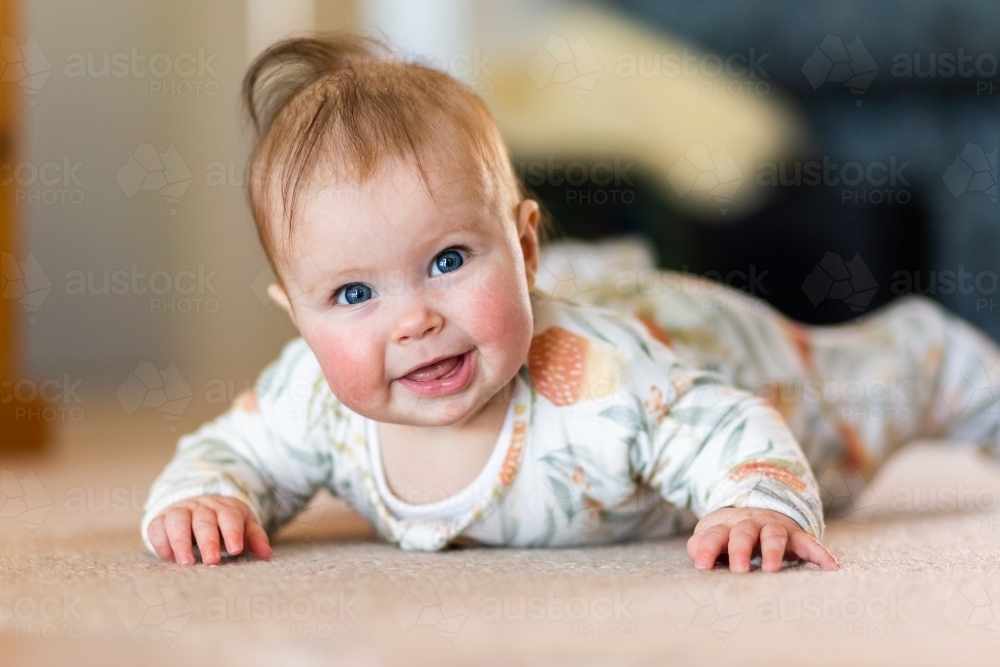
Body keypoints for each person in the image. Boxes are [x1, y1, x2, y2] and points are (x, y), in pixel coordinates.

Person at [141, 35, 1000, 573]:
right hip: (594, 305)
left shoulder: (600, 383)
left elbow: (718, 423)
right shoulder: (309, 397)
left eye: (447, 259)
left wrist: (754, 500)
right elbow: (230, 450)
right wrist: (207, 500)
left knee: (869, 394)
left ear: (520, 245)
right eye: (354, 293)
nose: (413, 320)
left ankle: (941, 356)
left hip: (738, 368)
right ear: (296, 316)